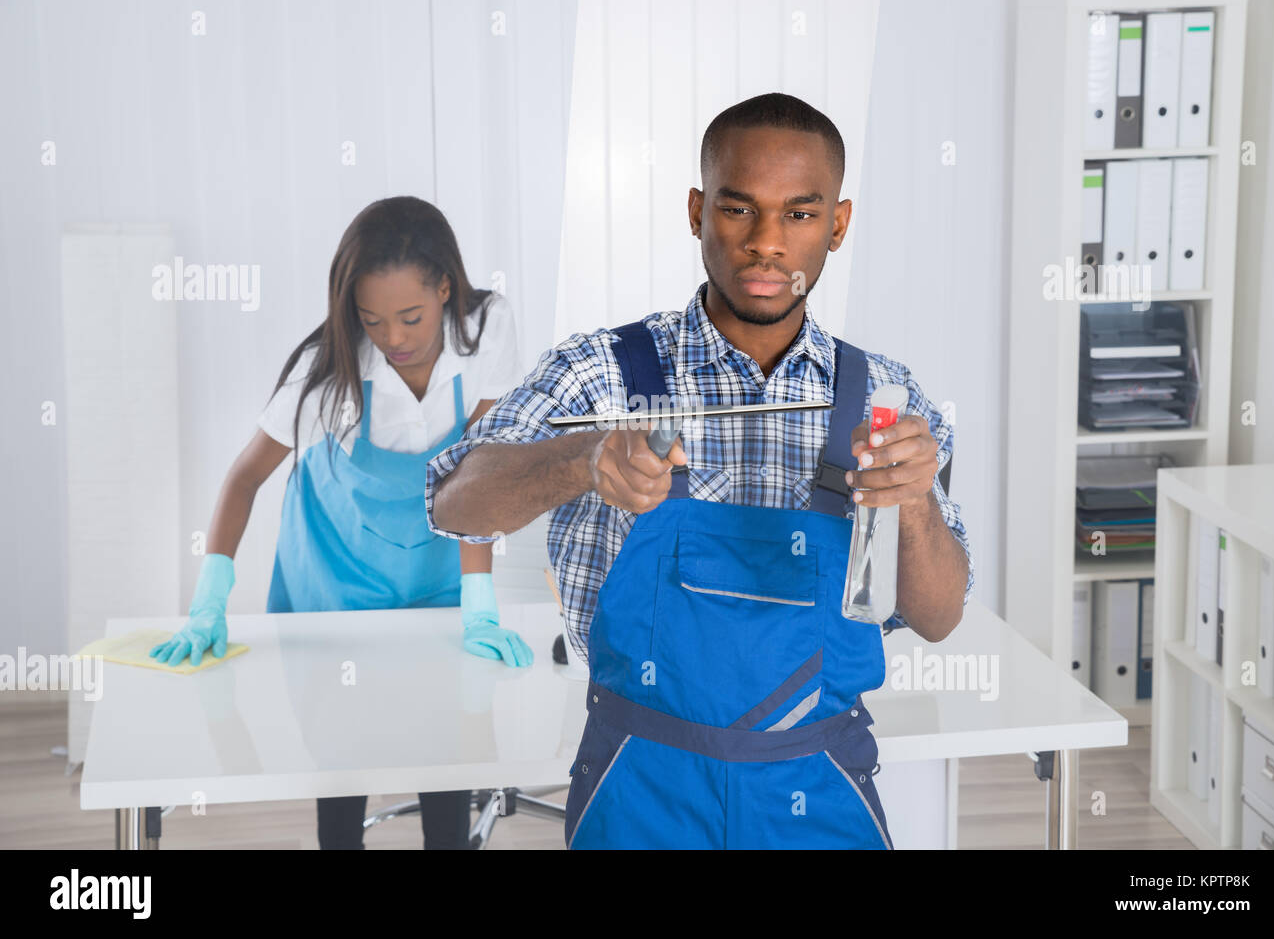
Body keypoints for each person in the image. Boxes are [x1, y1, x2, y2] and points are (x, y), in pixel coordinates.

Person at [427, 94, 973, 849]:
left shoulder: (884, 403)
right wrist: (582, 461)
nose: (767, 244)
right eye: (739, 210)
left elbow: (940, 617)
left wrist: (913, 504)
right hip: (641, 788)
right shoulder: (602, 375)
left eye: (801, 215)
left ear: (838, 225)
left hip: (816, 790)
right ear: (697, 210)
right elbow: (455, 499)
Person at [150, 195, 532, 849]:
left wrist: (478, 603)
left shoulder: (485, 328)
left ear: (445, 286)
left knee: (447, 743)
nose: (395, 338)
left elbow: (482, 470)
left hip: (440, 556)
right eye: (372, 319)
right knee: (341, 748)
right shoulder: (329, 372)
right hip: (338, 569)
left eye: (411, 316)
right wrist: (208, 599)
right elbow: (244, 477)